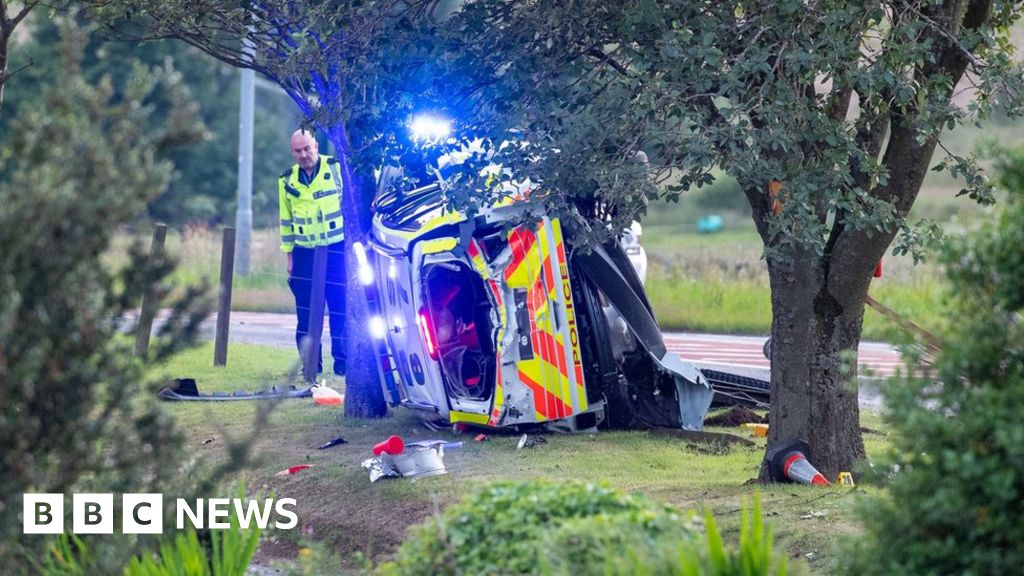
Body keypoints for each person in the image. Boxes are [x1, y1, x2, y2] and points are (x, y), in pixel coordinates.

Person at [279, 129, 346, 376]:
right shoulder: (286, 180)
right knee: (306, 313)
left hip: (336, 249)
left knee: (340, 307)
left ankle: (344, 364)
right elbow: (285, 221)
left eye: (307, 148)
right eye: (298, 151)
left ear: (316, 146)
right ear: (292, 152)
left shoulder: (337, 169)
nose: (304, 155)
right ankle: (310, 367)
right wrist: (289, 257)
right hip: (304, 253)